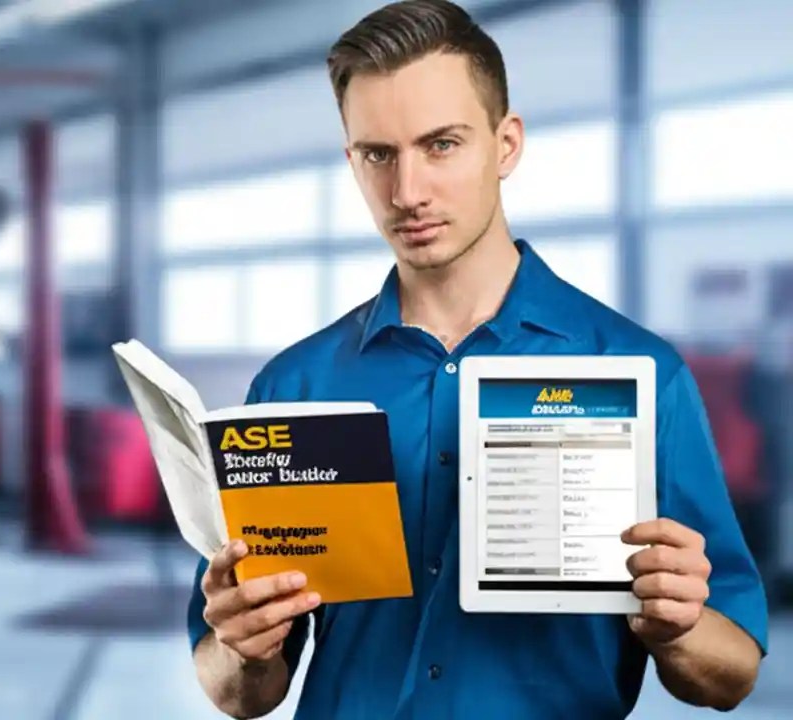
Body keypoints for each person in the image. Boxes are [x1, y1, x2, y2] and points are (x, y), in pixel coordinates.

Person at [185, 1, 768, 718]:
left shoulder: (640, 374)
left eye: (442, 145)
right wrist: (242, 648)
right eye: (379, 155)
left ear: (506, 144)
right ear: (352, 161)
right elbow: (239, 693)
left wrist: (677, 628)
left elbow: (732, 671)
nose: (408, 192)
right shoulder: (294, 388)